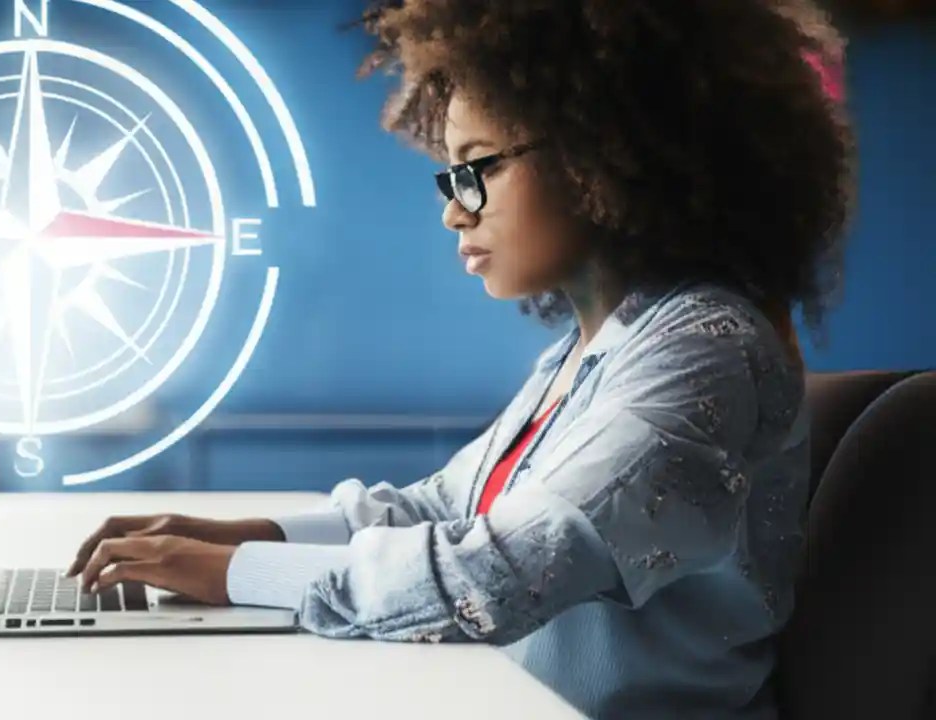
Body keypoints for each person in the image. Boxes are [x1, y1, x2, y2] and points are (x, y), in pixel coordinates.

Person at [64, 1, 855, 717]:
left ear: (602, 149)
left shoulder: (707, 349)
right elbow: (441, 510)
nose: (453, 210)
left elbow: (495, 575)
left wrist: (234, 574)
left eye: (478, 169)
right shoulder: (590, 352)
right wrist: (242, 535)